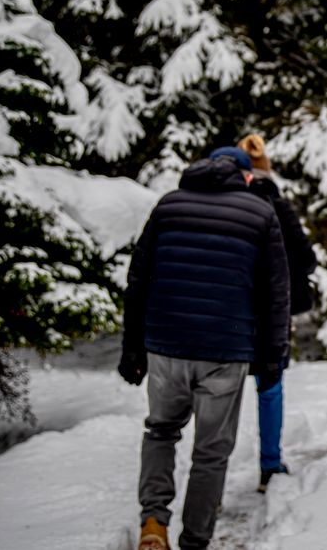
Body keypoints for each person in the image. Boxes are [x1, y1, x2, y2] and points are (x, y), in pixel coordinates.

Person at [118, 147, 290, 550]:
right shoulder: (261, 214)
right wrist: (274, 355)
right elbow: (275, 294)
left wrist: (132, 347)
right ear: (246, 177)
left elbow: (138, 280)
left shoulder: (168, 206)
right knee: (211, 452)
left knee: (160, 431)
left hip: (165, 346)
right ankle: (195, 541)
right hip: (225, 350)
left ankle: (153, 524)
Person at [237, 134, 318, 493]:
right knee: (269, 388)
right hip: (272, 311)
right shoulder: (278, 206)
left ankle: (210, 471)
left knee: (220, 391)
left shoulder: (228, 202)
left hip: (232, 310)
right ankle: (270, 463)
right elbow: (307, 259)